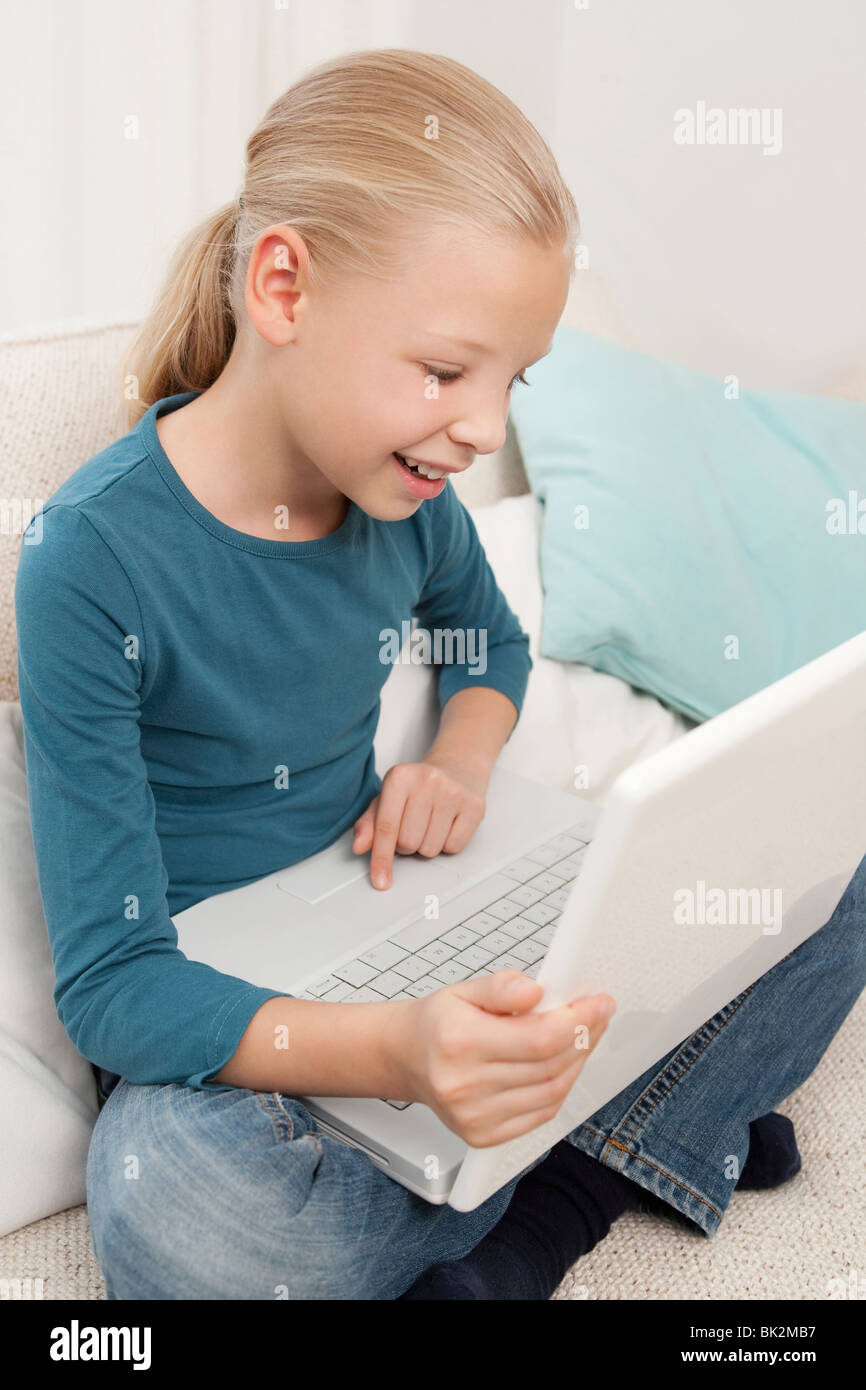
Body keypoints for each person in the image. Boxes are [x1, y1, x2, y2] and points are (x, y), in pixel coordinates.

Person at [15, 48, 865, 1301]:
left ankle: (543, 1199)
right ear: (283, 287)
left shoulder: (404, 491)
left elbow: (493, 646)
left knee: (825, 873)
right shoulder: (88, 558)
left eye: (506, 383)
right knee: (175, 1205)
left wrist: (459, 755)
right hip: (230, 1026)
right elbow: (115, 985)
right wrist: (398, 1054)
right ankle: (624, 1149)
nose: (480, 427)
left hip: (398, 921)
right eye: (444, 370)